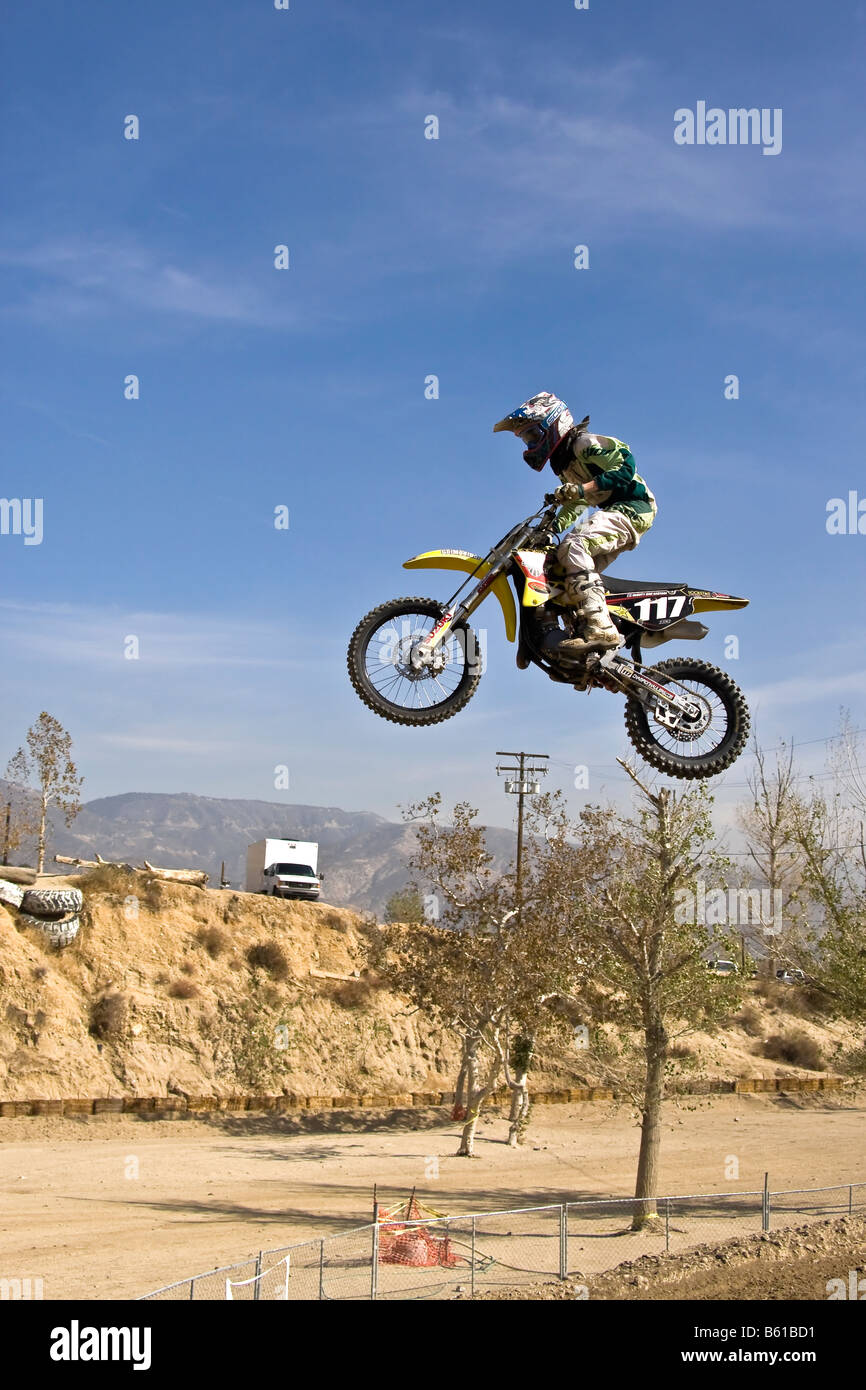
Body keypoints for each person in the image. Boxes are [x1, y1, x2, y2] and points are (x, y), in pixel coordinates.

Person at [493, 391, 657, 657]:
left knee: (574, 546)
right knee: (557, 570)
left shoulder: (584, 443)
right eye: (526, 438)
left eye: (532, 435)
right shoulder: (563, 464)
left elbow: (625, 469)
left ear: (553, 424)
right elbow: (575, 504)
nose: (530, 443)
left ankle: (601, 627)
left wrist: (582, 489)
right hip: (613, 511)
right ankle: (580, 639)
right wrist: (551, 528)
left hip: (633, 508)